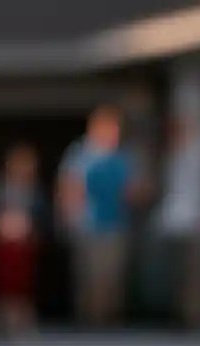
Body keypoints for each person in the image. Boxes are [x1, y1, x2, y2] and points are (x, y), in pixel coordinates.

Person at [57, 105, 141, 326]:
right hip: (88, 222)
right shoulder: (81, 153)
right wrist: (68, 214)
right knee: (89, 272)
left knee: (113, 271)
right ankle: (89, 317)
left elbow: (131, 189)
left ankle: (110, 316)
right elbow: (69, 185)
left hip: (116, 222)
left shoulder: (122, 156)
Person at [155, 113, 200, 329]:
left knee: (195, 275)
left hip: (194, 221)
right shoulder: (171, 157)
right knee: (177, 273)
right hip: (172, 222)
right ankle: (178, 315)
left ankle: (196, 318)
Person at [0, 143, 45, 338]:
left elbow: (40, 216)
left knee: (24, 282)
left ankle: (22, 321)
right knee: (4, 281)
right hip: (4, 243)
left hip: (25, 244)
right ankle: (1, 318)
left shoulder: (35, 191)